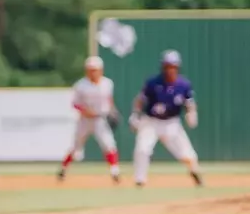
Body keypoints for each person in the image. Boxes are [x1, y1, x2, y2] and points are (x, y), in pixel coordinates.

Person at [130, 50, 204, 188]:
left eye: (173, 66)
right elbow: (140, 100)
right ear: (163, 67)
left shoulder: (184, 85)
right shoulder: (153, 83)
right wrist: (135, 114)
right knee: (142, 149)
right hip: (150, 122)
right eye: (167, 66)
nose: (170, 69)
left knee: (187, 154)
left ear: (178, 68)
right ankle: (140, 180)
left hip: (171, 123)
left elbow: (189, 103)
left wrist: (192, 113)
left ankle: (194, 171)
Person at [58, 57, 121, 184]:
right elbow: (75, 104)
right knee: (76, 147)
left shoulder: (107, 83)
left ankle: (115, 172)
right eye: (90, 70)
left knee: (109, 145)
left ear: (101, 70)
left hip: (100, 120)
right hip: (84, 120)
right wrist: (85, 111)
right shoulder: (81, 85)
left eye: (95, 70)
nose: (93, 72)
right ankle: (63, 169)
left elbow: (108, 100)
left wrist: (113, 110)